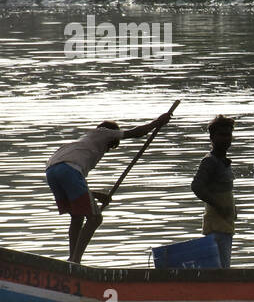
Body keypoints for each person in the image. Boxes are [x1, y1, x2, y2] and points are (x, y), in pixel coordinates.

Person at [45, 110, 172, 263]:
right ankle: (75, 260)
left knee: (77, 216)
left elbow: (74, 183)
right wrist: (158, 122)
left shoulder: (83, 145)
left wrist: (97, 195)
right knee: (95, 218)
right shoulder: (104, 132)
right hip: (68, 170)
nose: (107, 150)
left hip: (52, 171)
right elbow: (136, 133)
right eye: (110, 146)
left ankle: (71, 258)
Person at [191, 115, 237, 268]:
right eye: (221, 135)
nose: (226, 139)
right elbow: (196, 186)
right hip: (216, 228)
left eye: (228, 134)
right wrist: (220, 206)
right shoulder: (210, 161)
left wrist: (232, 210)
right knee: (221, 274)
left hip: (226, 226)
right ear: (212, 137)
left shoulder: (223, 161)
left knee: (224, 269)